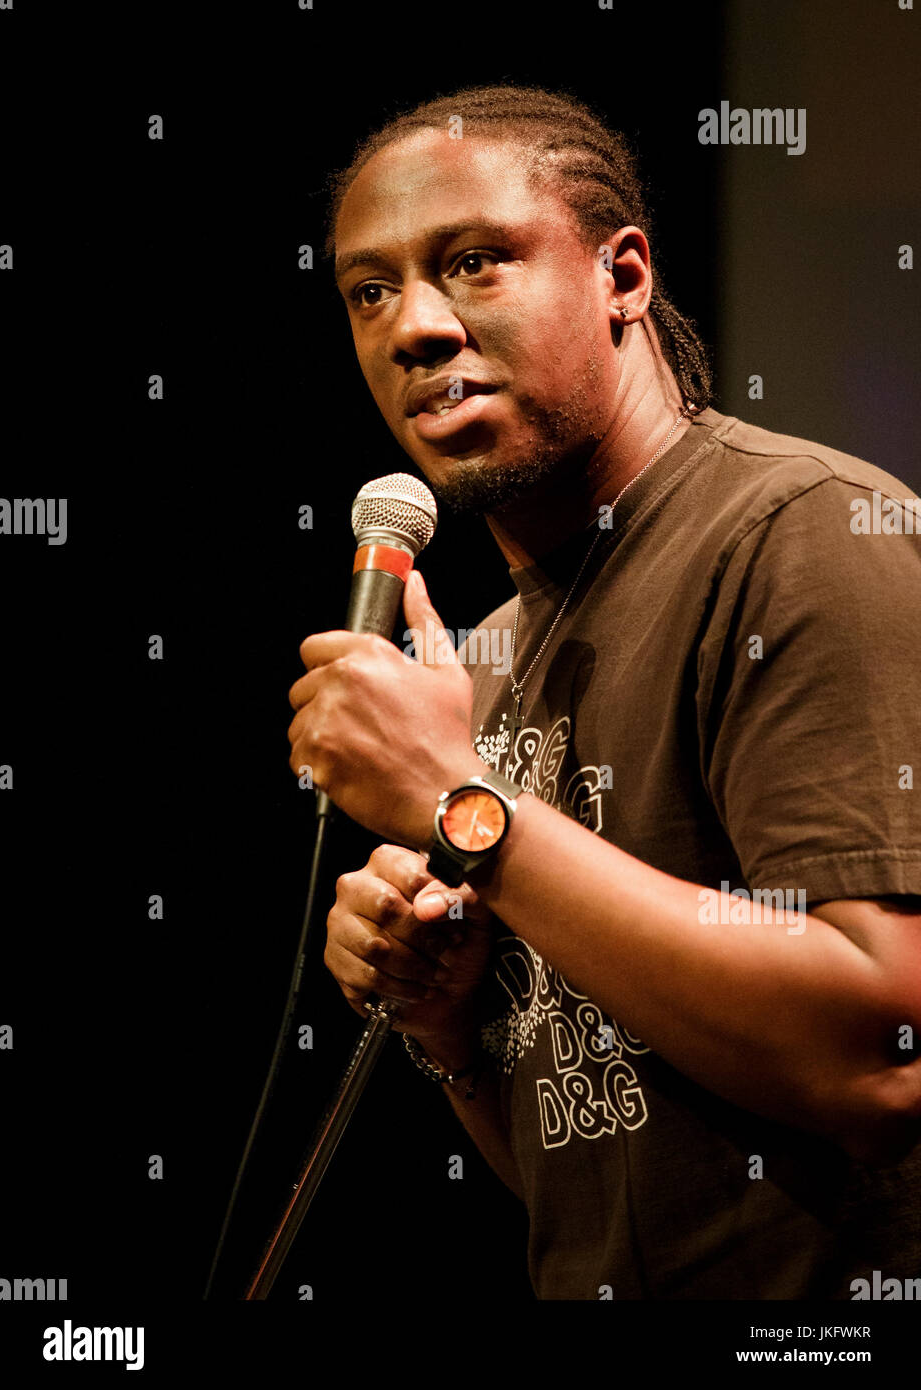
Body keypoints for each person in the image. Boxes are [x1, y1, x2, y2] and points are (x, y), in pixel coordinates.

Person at [286, 85, 921, 1299]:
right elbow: (604, 1172)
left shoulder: (803, 534)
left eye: (472, 262)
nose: (412, 327)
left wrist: (462, 801)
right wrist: (450, 1027)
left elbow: (881, 1057)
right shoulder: (496, 655)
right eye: (369, 292)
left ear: (622, 274)